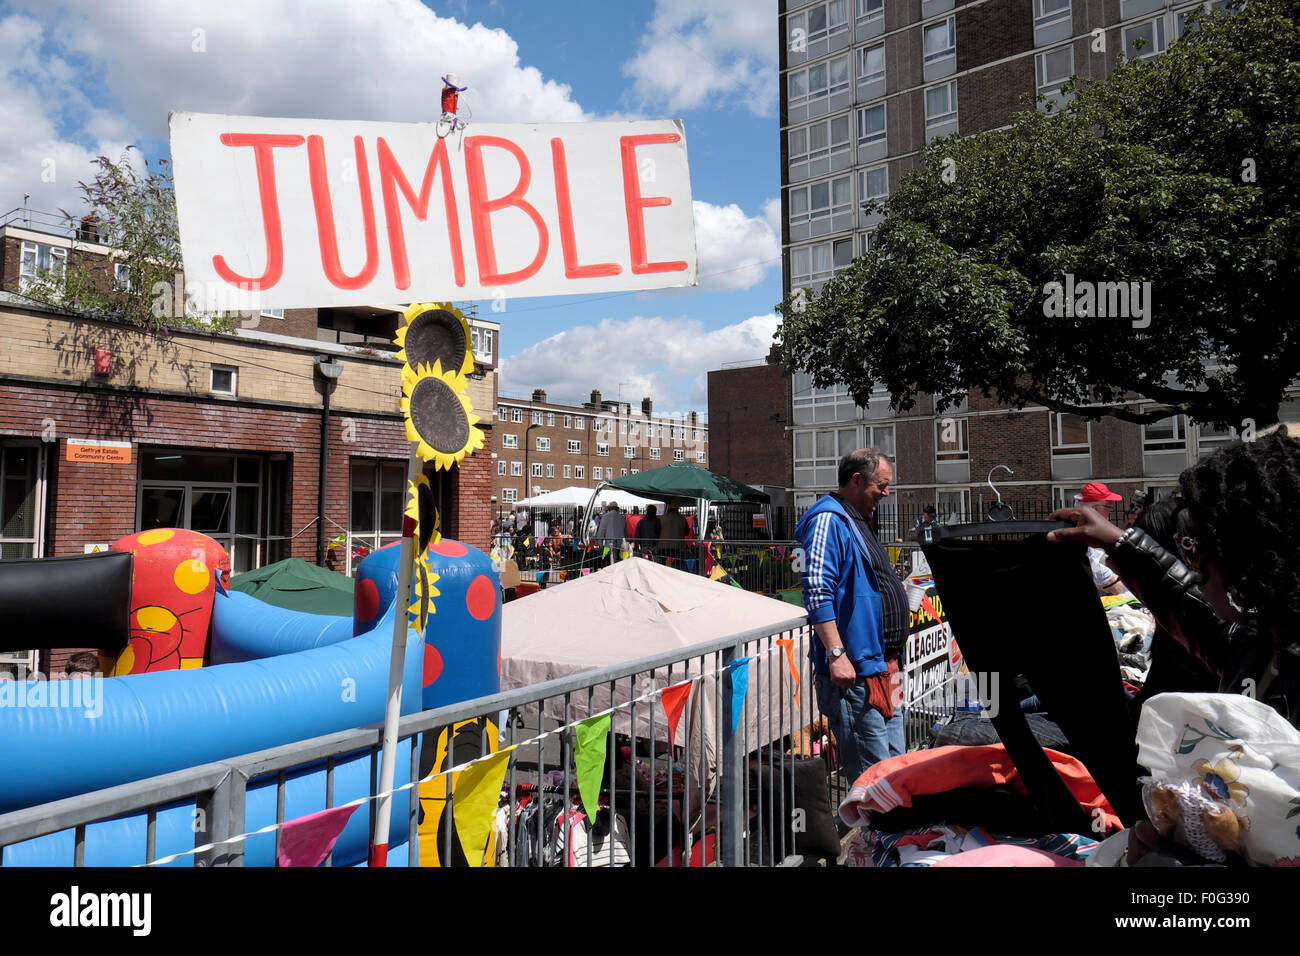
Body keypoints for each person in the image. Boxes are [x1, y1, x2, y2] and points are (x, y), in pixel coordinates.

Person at [1049, 429, 1300, 728]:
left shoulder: (1268, 656)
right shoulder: (1255, 644)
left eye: (1192, 545)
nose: (1189, 562)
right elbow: (1186, 604)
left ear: (1243, 557)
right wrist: (1118, 542)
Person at [794, 448, 909, 783]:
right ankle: (878, 835)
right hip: (856, 671)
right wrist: (836, 654)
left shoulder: (858, 520)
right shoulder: (829, 519)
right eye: (881, 486)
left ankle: (896, 834)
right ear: (857, 481)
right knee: (875, 779)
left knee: (899, 769)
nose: (886, 493)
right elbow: (816, 588)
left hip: (885, 667)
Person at [1075, 481, 1132, 597]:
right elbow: (1102, 578)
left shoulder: (1080, 526)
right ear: (1095, 509)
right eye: (1108, 506)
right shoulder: (1085, 531)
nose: (1110, 510)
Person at [658, 499, 689, 566]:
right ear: (677, 509)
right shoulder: (682, 518)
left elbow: (657, 531)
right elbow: (687, 532)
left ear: (669, 508)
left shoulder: (661, 518)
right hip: (678, 546)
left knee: (663, 565)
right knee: (676, 565)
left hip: (664, 546)